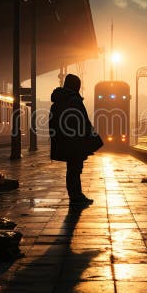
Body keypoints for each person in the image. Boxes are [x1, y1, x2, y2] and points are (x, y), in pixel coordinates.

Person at [50, 74, 101, 206]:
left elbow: (52, 123)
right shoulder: (74, 100)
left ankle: (75, 194)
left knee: (72, 169)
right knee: (75, 169)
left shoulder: (58, 100)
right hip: (75, 141)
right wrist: (91, 137)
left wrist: (57, 138)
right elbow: (82, 121)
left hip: (65, 140)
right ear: (75, 86)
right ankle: (76, 196)